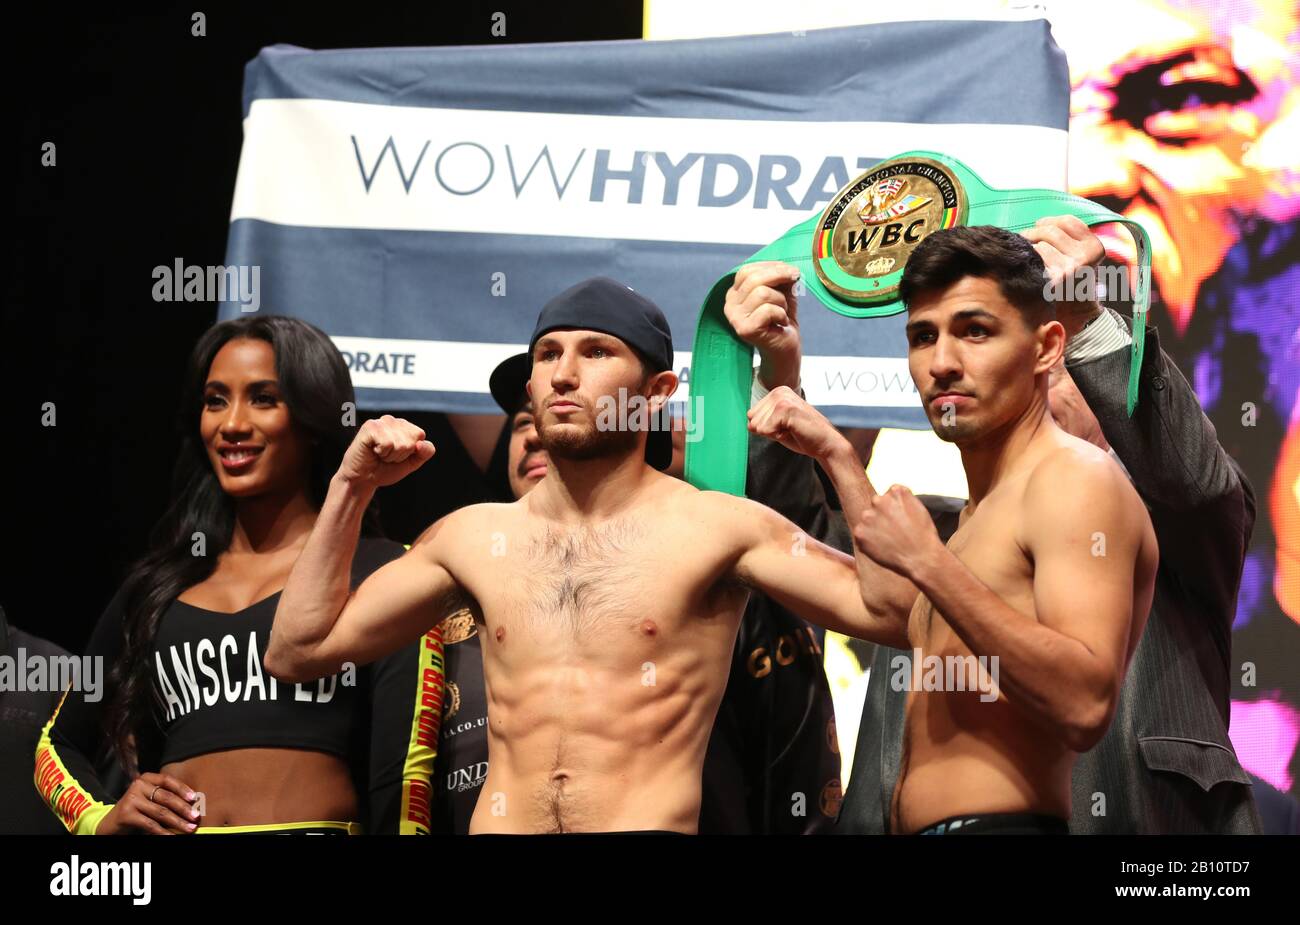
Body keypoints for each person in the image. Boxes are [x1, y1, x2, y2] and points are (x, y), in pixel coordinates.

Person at [265, 276, 908, 834]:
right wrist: (350, 486)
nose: (563, 374)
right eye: (547, 354)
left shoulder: (719, 528)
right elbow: (297, 651)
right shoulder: (470, 537)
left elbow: (893, 616)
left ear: (656, 393)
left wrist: (839, 459)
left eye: (595, 351)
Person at [838, 217, 1263, 834]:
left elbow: (1192, 481)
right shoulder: (925, 529)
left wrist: (1091, 318)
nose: (1041, 388)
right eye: (925, 339)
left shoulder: (1168, 510)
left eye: (1066, 364)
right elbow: (776, 549)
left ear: (1053, 347)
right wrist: (784, 378)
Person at [750, 224, 1159, 833]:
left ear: (1048, 347)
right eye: (923, 336)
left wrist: (930, 562)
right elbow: (895, 607)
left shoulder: (1074, 480)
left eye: (975, 330)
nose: (941, 363)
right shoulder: (981, 516)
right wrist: (835, 456)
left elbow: (1085, 702)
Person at [36, 316, 441, 835]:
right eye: (215, 400)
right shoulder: (157, 586)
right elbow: (57, 743)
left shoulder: (385, 570)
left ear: (313, 418)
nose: (231, 424)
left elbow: (403, 776)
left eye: (263, 398)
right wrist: (101, 817)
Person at [429, 348, 839, 834]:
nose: (539, 437)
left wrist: (790, 392)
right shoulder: (458, 561)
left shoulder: (727, 579)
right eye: (525, 425)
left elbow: (797, 754)